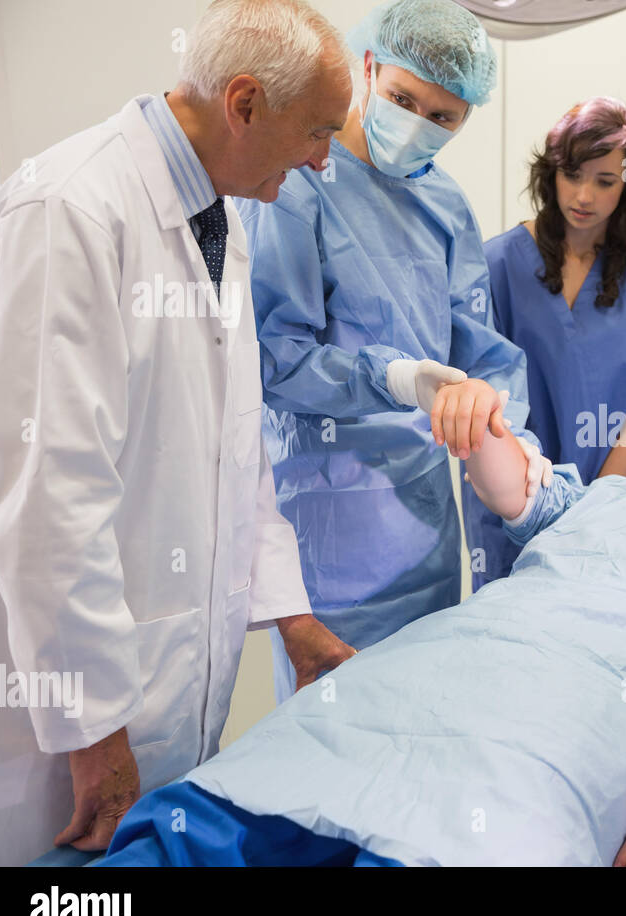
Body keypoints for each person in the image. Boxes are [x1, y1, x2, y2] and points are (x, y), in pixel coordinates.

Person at [100, 414, 626, 867]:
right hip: (463, 649)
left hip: (602, 691)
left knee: (452, 831)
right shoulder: (616, 495)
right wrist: (482, 421)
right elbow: (522, 495)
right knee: (237, 806)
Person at [0, 0, 356, 866]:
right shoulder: (70, 209)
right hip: (69, 736)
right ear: (246, 104)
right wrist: (95, 728)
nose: (323, 160)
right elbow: (47, 498)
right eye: (317, 133)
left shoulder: (219, 220)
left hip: (171, 694)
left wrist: (290, 617)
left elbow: (236, 450)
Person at [236, 0, 551, 701]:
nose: (417, 125)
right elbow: (274, 357)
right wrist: (400, 379)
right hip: (329, 523)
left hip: (424, 523)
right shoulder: (296, 186)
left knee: (423, 719)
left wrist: (512, 436)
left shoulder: (446, 205)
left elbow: (482, 349)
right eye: (404, 99)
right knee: (333, 735)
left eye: (442, 117)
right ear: (370, 67)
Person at [466, 96, 626, 586]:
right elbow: (485, 400)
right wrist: (533, 499)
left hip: (609, 500)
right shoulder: (499, 265)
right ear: (551, 174)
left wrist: (599, 499)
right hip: (515, 495)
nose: (584, 195)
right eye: (572, 174)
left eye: (605, 181)